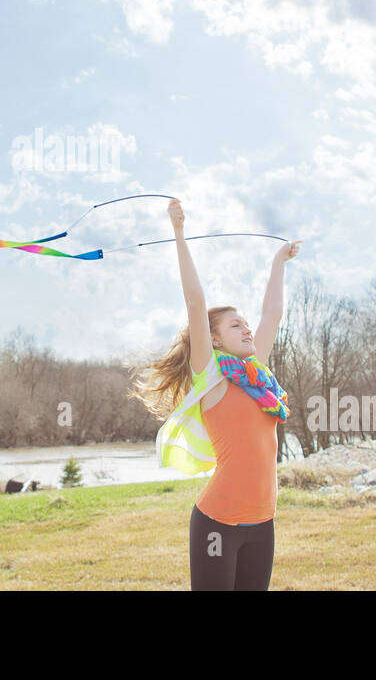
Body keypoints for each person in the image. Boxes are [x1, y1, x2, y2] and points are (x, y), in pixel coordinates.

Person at [129, 199, 301, 590]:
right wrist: (178, 232)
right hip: (217, 525)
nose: (247, 329)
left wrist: (278, 262)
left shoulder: (258, 374)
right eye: (235, 325)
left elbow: (272, 314)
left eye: (246, 324)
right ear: (215, 337)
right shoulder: (211, 377)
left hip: (264, 522)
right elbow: (195, 302)